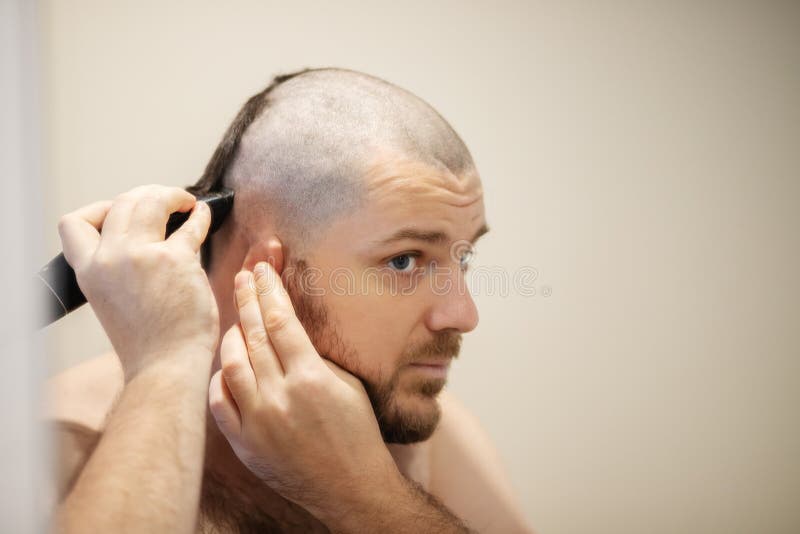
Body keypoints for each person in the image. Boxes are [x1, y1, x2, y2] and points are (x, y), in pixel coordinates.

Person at [48, 67, 533, 533]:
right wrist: (162, 364)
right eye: (404, 261)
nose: (463, 315)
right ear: (262, 270)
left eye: (462, 258)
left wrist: (367, 497)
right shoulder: (52, 444)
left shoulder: (425, 440)